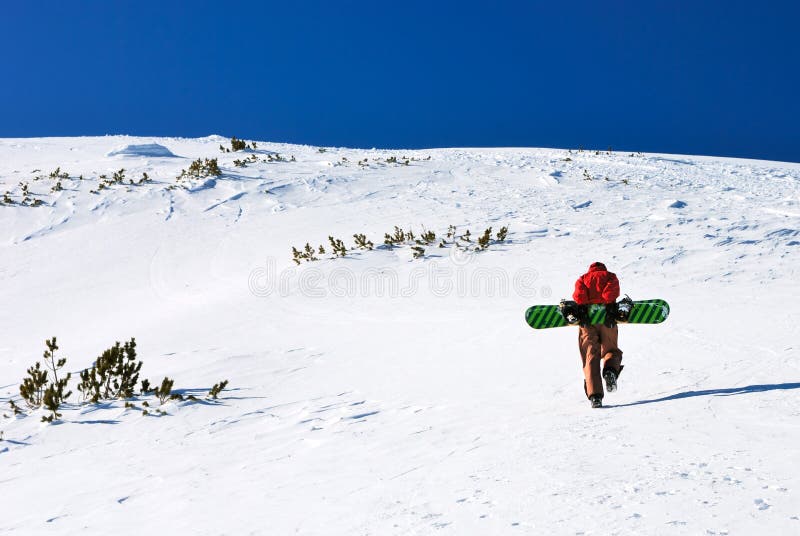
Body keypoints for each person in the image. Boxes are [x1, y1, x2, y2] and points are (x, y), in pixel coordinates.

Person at [570, 262, 624, 408]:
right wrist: (605, 303)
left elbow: (579, 296)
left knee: (590, 356)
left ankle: (595, 397)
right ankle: (610, 370)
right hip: (608, 319)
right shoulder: (610, 277)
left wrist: (587, 305)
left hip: (587, 322)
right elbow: (610, 294)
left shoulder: (583, 278)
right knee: (611, 350)